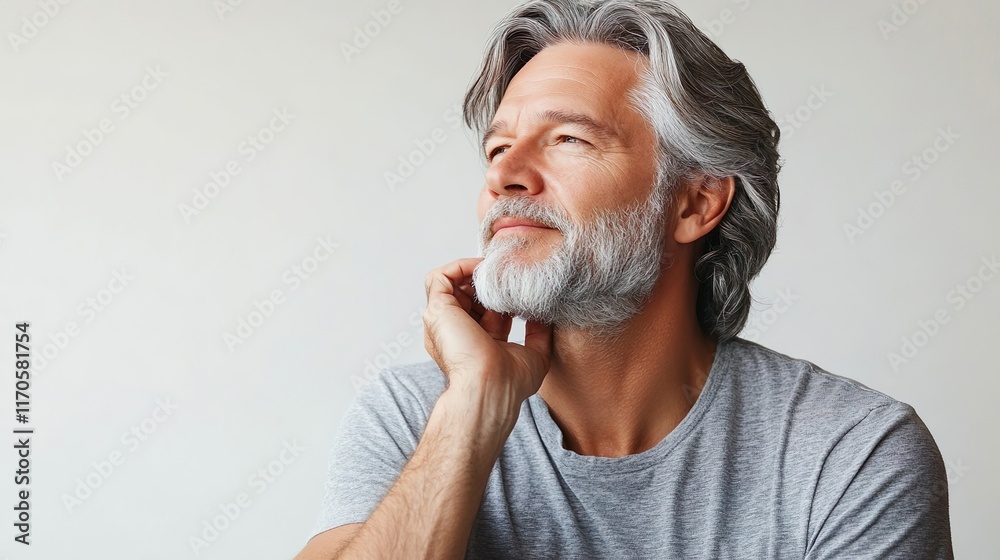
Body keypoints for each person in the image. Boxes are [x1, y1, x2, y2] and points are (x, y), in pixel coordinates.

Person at [294, 0, 953, 558]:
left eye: (568, 140)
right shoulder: (414, 418)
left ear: (696, 203)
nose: (504, 176)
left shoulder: (851, 454)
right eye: (498, 148)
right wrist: (473, 408)